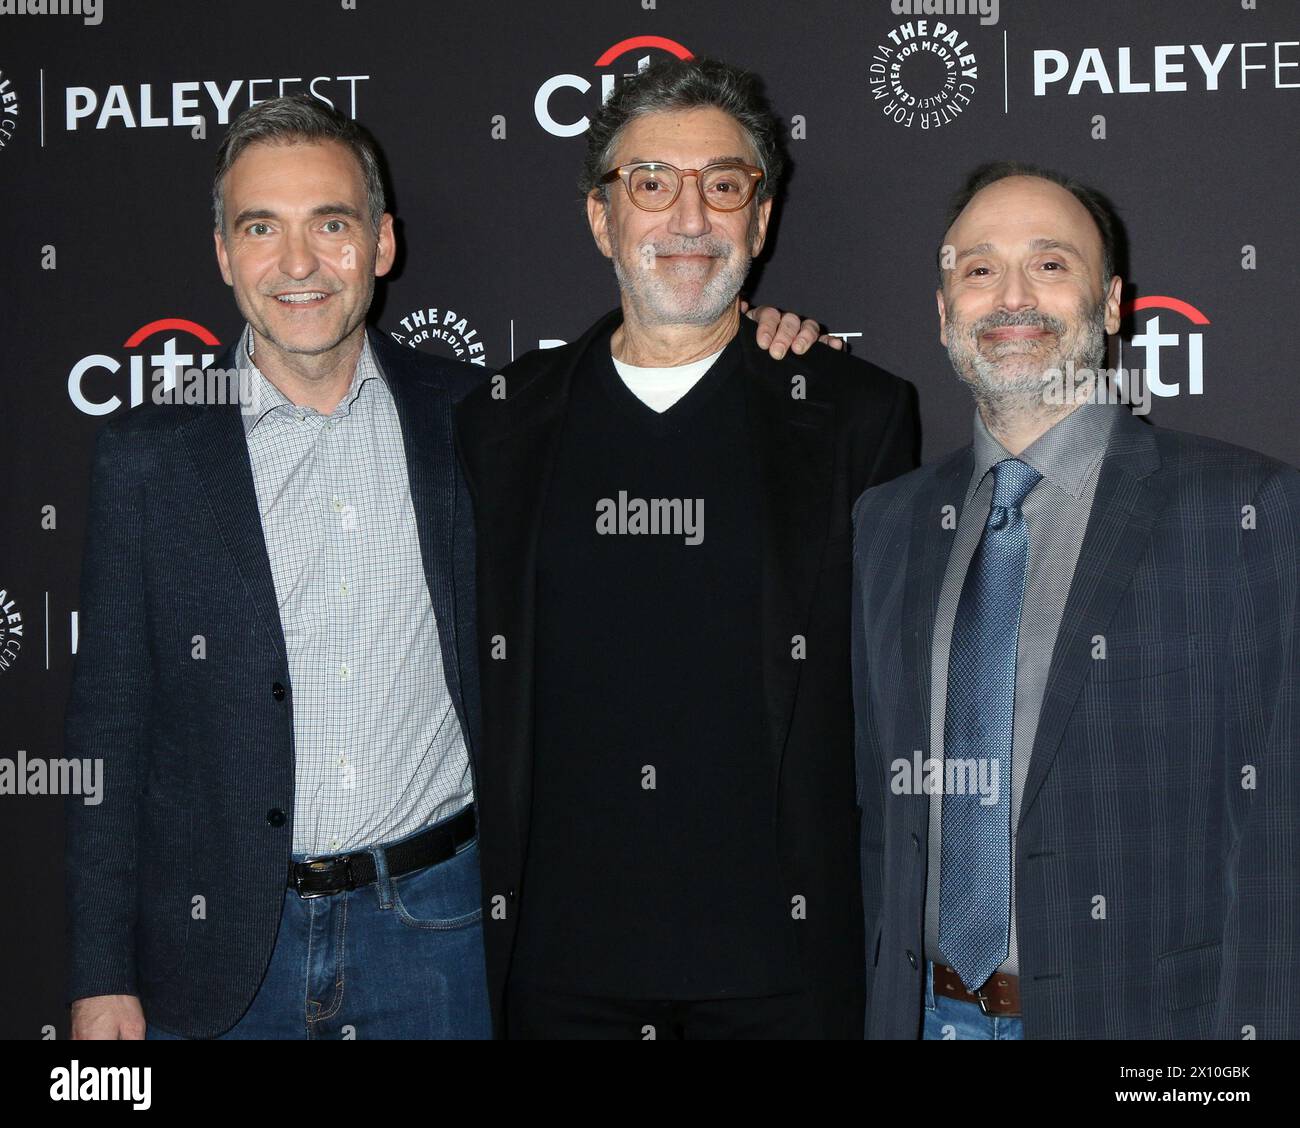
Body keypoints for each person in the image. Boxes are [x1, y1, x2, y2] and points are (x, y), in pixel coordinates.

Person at [63, 92, 840, 1041]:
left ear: (382, 245)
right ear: (225, 253)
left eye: (332, 224)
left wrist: (764, 347)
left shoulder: (483, 421)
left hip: (438, 936)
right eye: (262, 228)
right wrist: (100, 973)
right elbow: (107, 734)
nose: (299, 264)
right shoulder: (148, 456)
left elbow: (662, 394)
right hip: (219, 950)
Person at [455, 58, 920, 1039]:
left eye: (723, 184)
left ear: (760, 218)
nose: (688, 218)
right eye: (650, 184)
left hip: (781, 973)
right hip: (556, 967)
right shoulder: (497, 425)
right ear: (600, 218)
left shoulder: (854, 415)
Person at [852, 161, 1299, 1039]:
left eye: (1051, 265)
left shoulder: (1249, 510)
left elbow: (1284, 836)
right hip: (926, 1017)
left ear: (1111, 303)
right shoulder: (888, 523)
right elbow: (879, 813)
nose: (1012, 296)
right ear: (945, 312)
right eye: (978, 269)